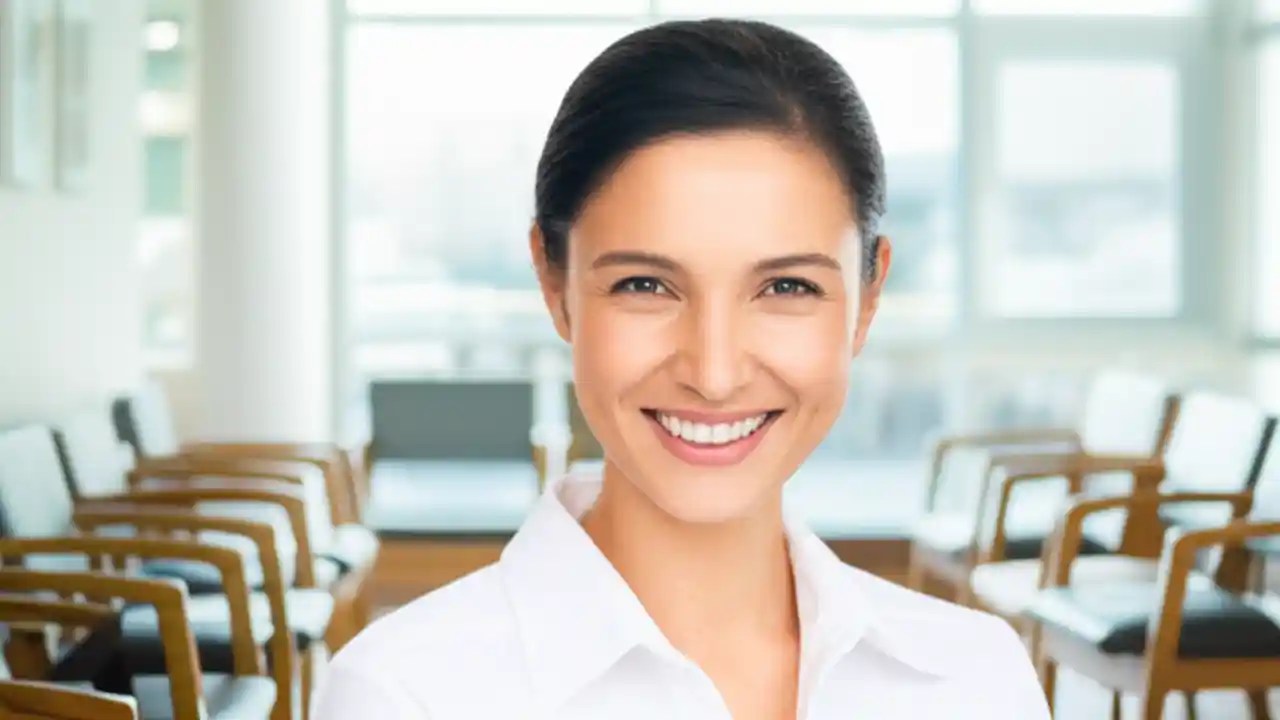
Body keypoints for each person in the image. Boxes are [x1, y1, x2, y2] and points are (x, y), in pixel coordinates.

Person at [313, 18, 1050, 719]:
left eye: (787, 287)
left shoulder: (978, 680)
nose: (716, 372)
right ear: (553, 283)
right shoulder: (407, 696)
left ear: (867, 298)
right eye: (645, 286)